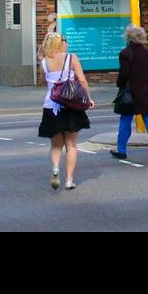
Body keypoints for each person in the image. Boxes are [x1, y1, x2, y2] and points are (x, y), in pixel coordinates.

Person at [38, 33, 94, 190]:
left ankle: (56, 168)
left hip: (51, 106)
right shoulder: (71, 58)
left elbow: (43, 82)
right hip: (71, 105)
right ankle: (69, 180)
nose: (66, 43)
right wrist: (88, 98)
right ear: (60, 42)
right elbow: (82, 80)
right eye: (64, 40)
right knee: (71, 145)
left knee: (56, 145)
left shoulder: (44, 62)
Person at [112, 25, 148, 163]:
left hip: (130, 93)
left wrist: (120, 85)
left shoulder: (125, 53)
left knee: (125, 121)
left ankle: (121, 150)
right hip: (146, 92)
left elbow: (123, 74)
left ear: (129, 38)